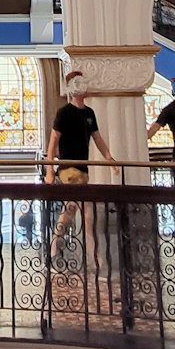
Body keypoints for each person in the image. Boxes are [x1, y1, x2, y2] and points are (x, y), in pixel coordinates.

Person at [45, 75, 116, 263]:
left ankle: (55, 245)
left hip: (83, 170)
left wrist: (109, 158)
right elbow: (53, 142)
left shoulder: (89, 113)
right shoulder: (64, 113)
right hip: (68, 169)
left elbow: (97, 138)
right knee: (85, 211)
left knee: (71, 211)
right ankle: (95, 256)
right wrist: (50, 170)